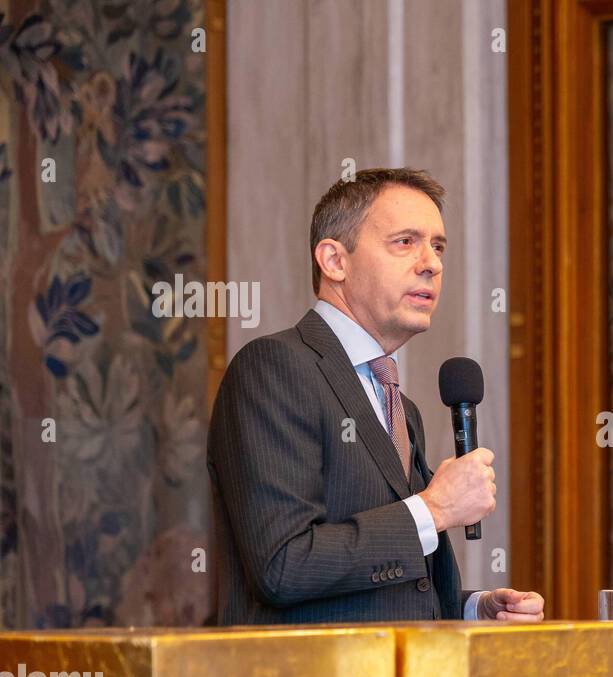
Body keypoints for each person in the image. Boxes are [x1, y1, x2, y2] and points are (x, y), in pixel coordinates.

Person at [208, 167, 544, 626]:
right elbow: (282, 566)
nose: (432, 263)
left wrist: (471, 608)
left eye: (438, 246)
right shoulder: (274, 368)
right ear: (334, 260)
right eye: (405, 242)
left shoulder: (401, 408)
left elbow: (385, 579)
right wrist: (434, 508)